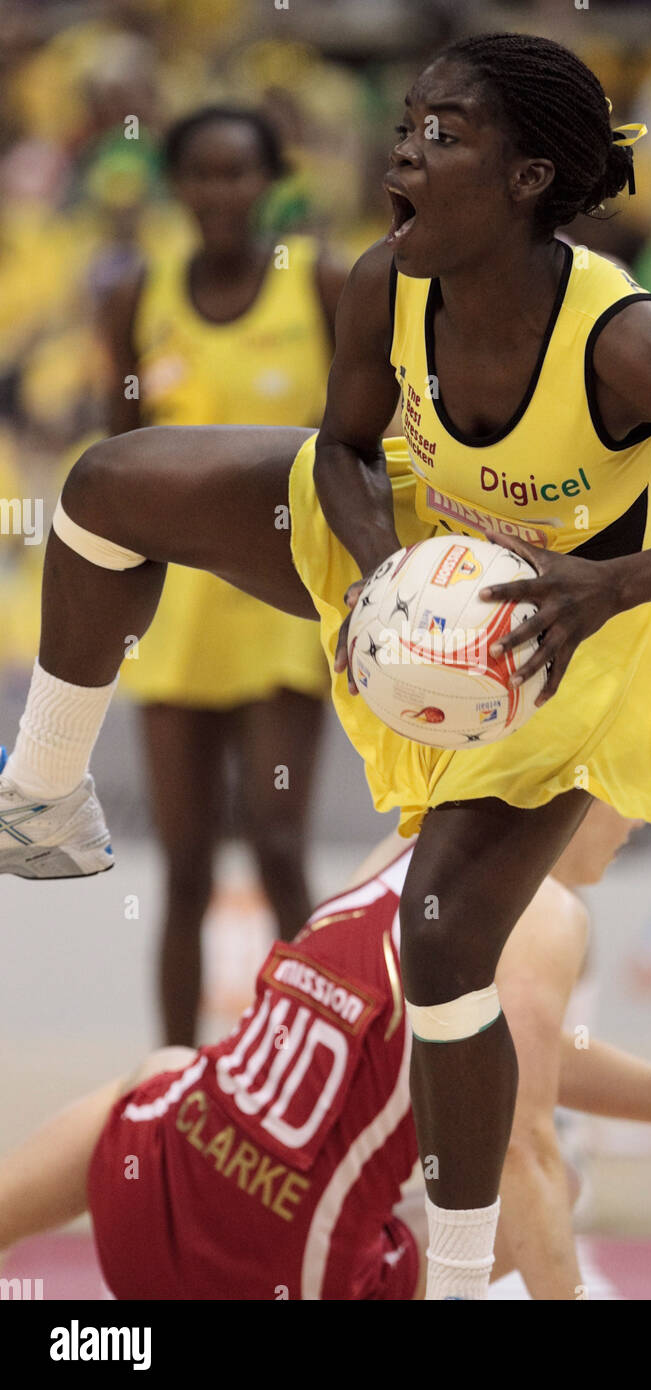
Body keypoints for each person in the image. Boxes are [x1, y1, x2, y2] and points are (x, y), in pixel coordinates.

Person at [0, 33, 651, 1298]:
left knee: (442, 942)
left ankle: (455, 1286)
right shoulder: (378, 279)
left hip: (579, 637)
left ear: (525, 178)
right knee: (106, 486)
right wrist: (377, 563)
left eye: (443, 132)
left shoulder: (627, 339)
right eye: (404, 123)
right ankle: (45, 796)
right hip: (413, 542)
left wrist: (607, 583)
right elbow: (341, 448)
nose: (404, 147)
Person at [0, 803, 651, 1301]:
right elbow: (525, 1153)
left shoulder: (412, 844)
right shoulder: (545, 912)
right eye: (634, 792)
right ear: (579, 786)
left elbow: (509, 1051)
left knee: (168, 1074)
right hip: (284, 1274)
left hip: (144, 1224)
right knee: (553, 1184)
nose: (640, 823)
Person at [100, 106, 346, 1043]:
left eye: (239, 173)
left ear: (270, 180)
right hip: (175, 613)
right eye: (201, 174)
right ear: (176, 184)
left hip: (284, 600)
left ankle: (321, 1064)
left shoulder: (317, 284)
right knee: (186, 865)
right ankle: (169, 1080)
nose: (220, 192)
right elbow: (115, 461)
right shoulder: (135, 296)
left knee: (279, 841)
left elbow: (361, 436)